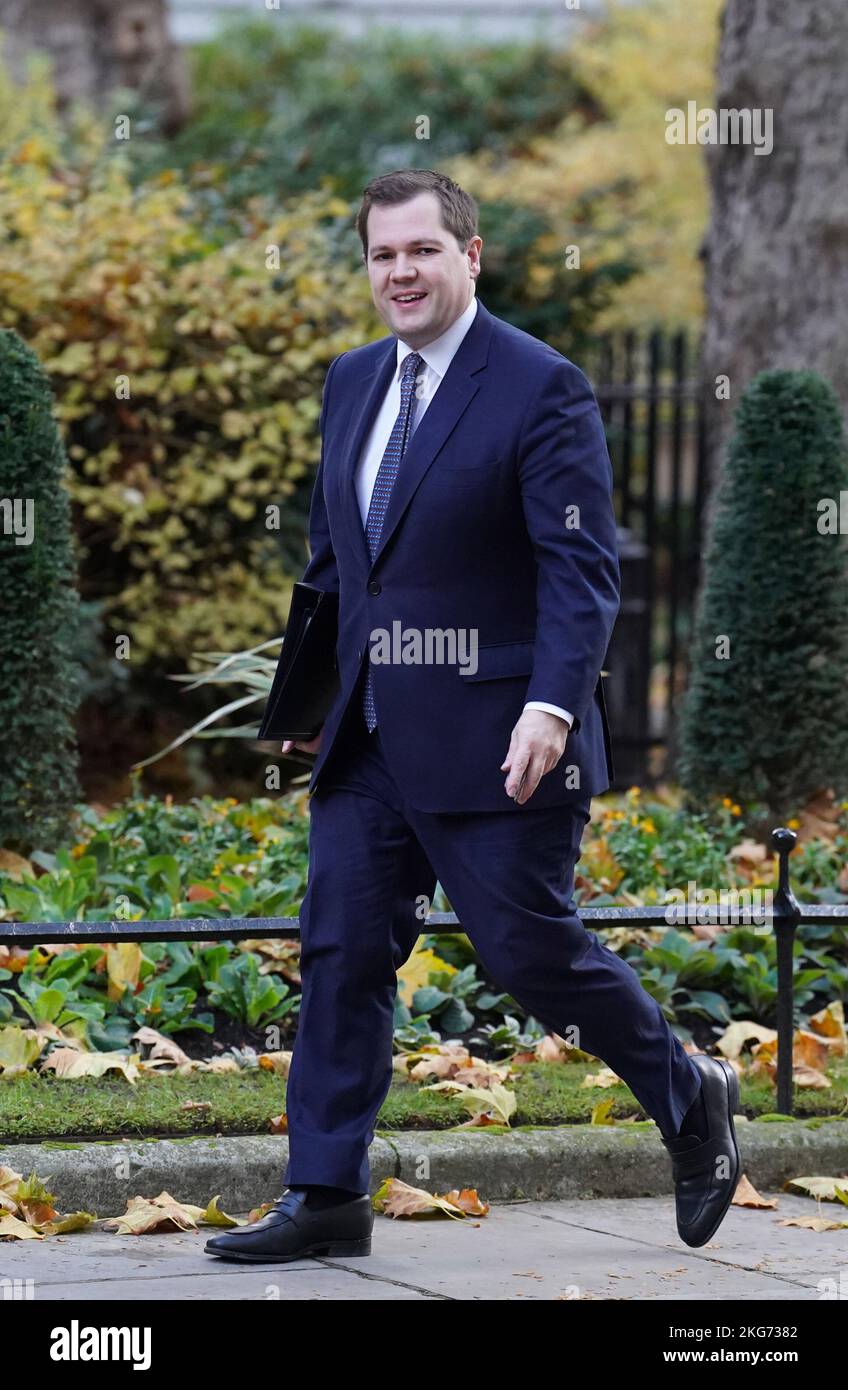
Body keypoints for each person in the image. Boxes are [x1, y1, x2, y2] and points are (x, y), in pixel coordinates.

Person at [206, 169, 739, 1264]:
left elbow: (580, 568)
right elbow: (336, 561)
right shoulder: (352, 381)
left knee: (526, 952)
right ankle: (323, 1192)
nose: (398, 272)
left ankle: (687, 1093)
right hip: (365, 738)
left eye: (419, 251)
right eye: (380, 255)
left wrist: (551, 704)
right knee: (342, 948)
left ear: (469, 256)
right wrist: (308, 701)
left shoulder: (540, 386)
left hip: (502, 737)